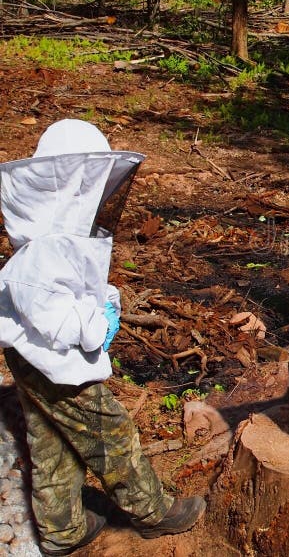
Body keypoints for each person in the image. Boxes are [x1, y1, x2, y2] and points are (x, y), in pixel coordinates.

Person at [0, 120, 206, 556]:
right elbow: (58, 319)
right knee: (110, 434)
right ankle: (152, 511)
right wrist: (98, 323)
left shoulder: (51, 237)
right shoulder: (39, 254)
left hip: (34, 358)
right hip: (53, 363)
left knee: (50, 440)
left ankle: (62, 530)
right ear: (72, 180)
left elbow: (76, 290)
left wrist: (103, 301)